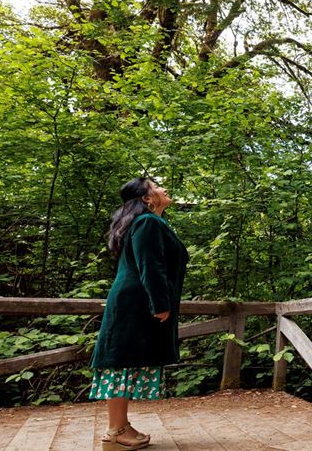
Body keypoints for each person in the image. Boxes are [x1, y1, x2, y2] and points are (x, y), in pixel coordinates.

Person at [89, 177, 188, 450]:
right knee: (121, 361)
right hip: (137, 302)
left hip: (134, 300)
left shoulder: (146, 222)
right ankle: (115, 430)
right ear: (146, 198)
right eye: (156, 185)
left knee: (125, 360)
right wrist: (161, 303)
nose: (163, 187)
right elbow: (151, 265)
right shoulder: (147, 222)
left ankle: (120, 427)